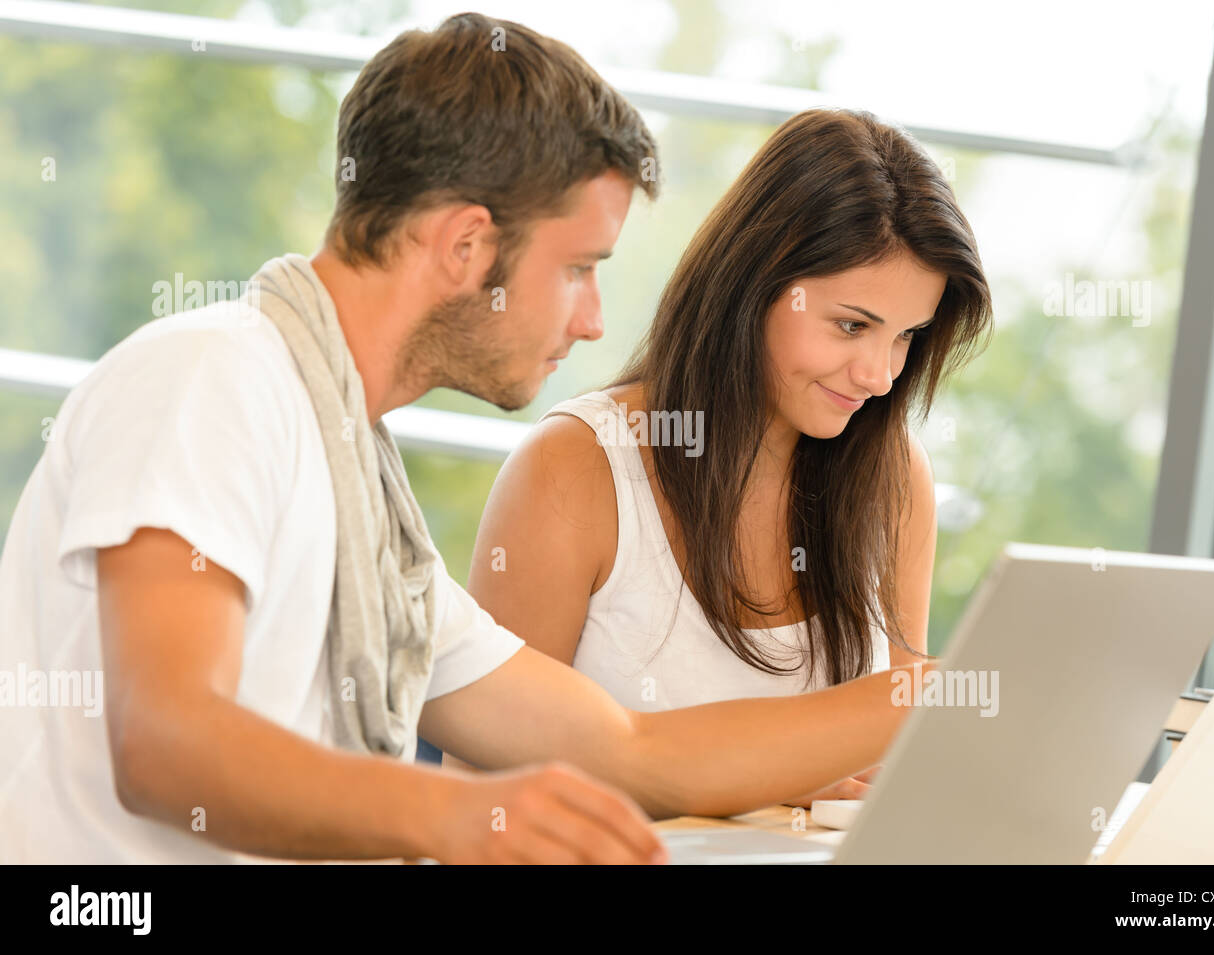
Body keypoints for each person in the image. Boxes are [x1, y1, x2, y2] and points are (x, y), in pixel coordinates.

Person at [0, 14, 941, 865]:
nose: (592, 321)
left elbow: (630, 750)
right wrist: (459, 814)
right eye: (578, 268)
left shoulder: (372, 514)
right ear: (466, 249)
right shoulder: (212, 379)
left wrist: (946, 694)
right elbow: (167, 742)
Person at [454, 109, 994, 806]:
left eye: (906, 337)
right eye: (852, 325)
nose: (880, 375)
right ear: (752, 285)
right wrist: (778, 775)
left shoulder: (892, 474)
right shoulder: (572, 470)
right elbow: (483, 802)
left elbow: (888, 756)